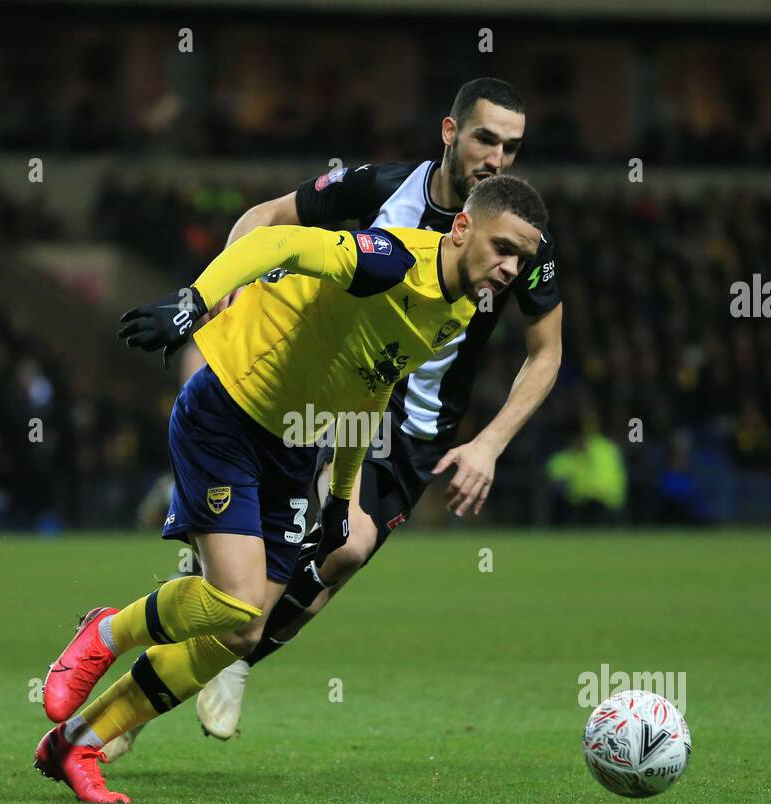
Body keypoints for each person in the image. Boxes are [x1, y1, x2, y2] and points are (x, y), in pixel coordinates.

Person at [35, 175, 548, 803]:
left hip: (295, 445)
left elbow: (373, 388)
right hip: (228, 407)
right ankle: (106, 633)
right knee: (238, 600)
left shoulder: (459, 311)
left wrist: (341, 500)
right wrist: (194, 301)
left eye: (522, 258)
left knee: (243, 633)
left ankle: (78, 742)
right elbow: (279, 244)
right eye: (503, 247)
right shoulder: (388, 259)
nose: (510, 267)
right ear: (463, 229)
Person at [108, 77, 563, 758]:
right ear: (450, 133)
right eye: (485, 138)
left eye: (512, 147)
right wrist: (221, 300)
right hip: (323, 391)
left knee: (341, 550)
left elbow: (547, 352)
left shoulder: (519, 241)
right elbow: (267, 222)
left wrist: (490, 444)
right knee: (252, 579)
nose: (497, 157)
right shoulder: (381, 190)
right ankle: (147, 694)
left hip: (409, 426)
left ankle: (232, 657)